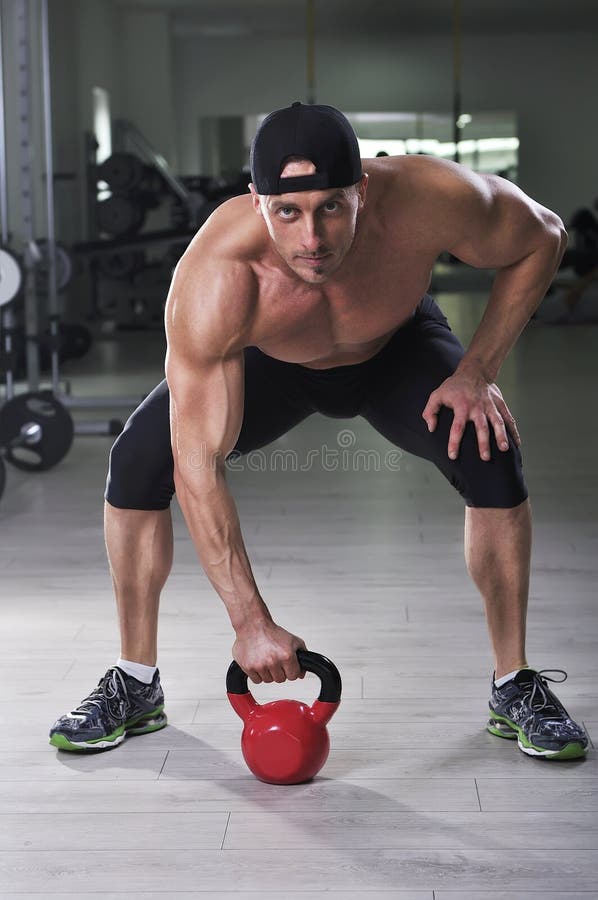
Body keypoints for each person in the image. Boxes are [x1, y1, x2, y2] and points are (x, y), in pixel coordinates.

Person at [50, 102, 587, 760]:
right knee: (140, 460)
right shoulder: (219, 274)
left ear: (363, 188)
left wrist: (477, 371)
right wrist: (249, 622)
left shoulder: (428, 197)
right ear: (256, 202)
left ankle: (515, 682)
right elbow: (198, 463)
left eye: (332, 206)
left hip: (396, 347)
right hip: (271, 362)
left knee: (487, 448)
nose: (312, 238)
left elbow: (545, 238)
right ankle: (136, 681)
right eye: (288, 212)